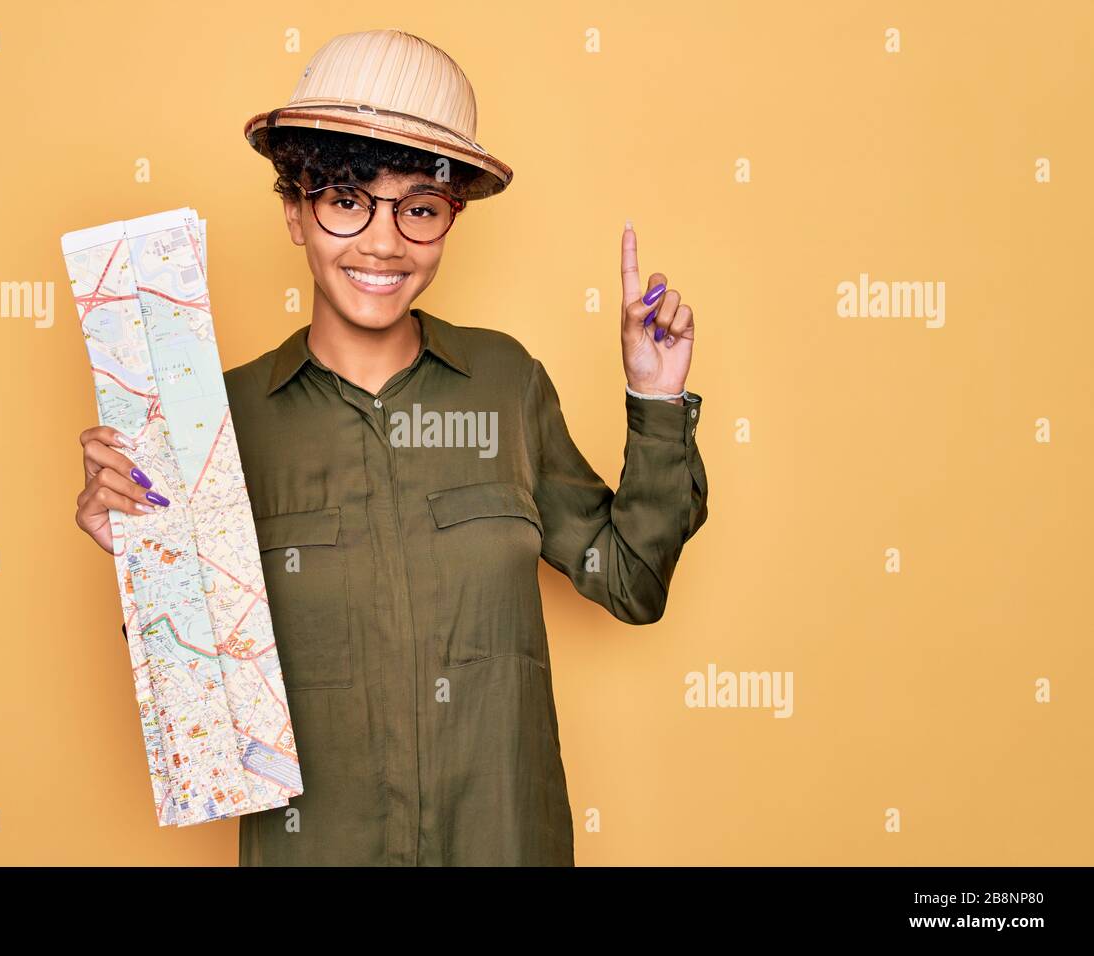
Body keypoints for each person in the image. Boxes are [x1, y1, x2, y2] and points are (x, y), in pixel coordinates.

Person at [73, 29, 709, 865]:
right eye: (345, 197)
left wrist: (654, 399)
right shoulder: (208, 425)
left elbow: (630, 582)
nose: (383, 241)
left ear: (451, 218)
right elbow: (204, 705)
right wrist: (143, 557)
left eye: (418, 206)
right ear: (296, 210)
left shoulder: (506, 384)